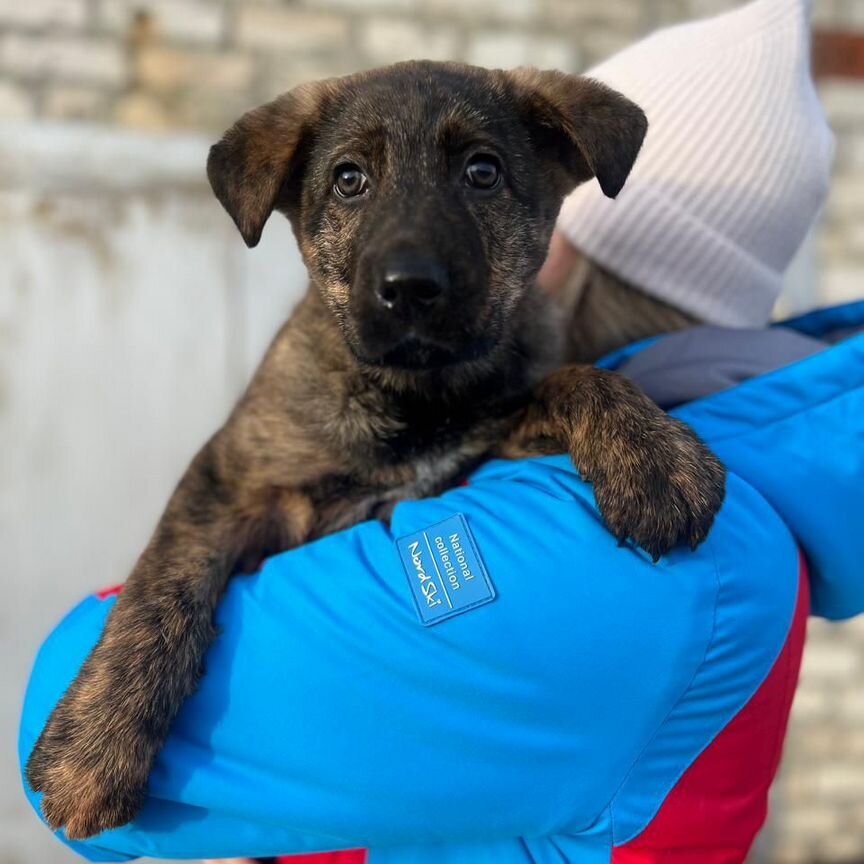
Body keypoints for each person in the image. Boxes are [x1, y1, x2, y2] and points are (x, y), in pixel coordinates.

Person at [19, 1, 864, 863]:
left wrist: (587, 403)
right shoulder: (314, 386)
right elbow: (225, 494)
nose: (412, 253)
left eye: (482, 174)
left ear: (564, 203)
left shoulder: (665, 550)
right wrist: (135, 675)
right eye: (352, 179)